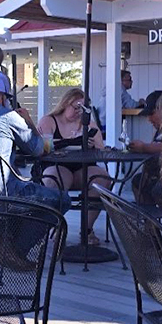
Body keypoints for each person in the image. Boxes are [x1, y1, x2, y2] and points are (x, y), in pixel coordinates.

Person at [0, 73, 69, 212]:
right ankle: (29, 234)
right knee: (63, 200)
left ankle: (8, 232)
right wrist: (29, 122)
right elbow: (40, 149)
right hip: (6, 193)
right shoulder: (7, 116)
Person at [37, 88, 111, 244]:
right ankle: (56, 225)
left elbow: (101, 150)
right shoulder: (49, 121)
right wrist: (69, 142)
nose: (79, 112)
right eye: (76, 107)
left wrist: (94, 143)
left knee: (102, 179)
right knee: (54, 179)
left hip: (82, 168)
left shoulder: (88, 125)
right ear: (65, 104)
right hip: (56, 166)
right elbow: (45, 148)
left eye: (83, 108)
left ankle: (87, 229)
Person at [130, 90, 162, 206]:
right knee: (139, 182)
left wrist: (144, 147)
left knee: (158, 190)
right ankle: (149, 222)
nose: (149, 119)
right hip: (156, 175)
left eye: (152, 113)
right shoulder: (159, 131)